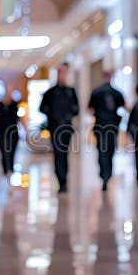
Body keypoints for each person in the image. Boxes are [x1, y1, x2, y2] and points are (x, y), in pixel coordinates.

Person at [39, 63, 79, 193]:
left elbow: (76, 109)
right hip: (55, 128)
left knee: (65, 153)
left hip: (66, 128)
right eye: (60, 72)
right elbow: (42, 108)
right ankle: (61, 179)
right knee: (58, 154)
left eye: (64, 72)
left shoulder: (70, 91)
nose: (62, 75)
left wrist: (67, 116)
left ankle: (64, 179)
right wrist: (53, 115)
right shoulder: (50, 93)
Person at [88, 71, 126, 191]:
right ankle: (107, 175)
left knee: (102, 151)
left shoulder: (96, 92)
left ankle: (104, 175)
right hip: (112, 127)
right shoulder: (116, 93)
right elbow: (125, 107)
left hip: (101, 126)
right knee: (109, 151)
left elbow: (89, 109)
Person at [0, 88, 20, 177]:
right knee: (4, 153)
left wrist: (27, 131)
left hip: (13, 133)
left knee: (12, 153)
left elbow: (19, 118)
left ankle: (10, 171)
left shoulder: (14, 105)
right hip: (2, 133)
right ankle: (6, 172)